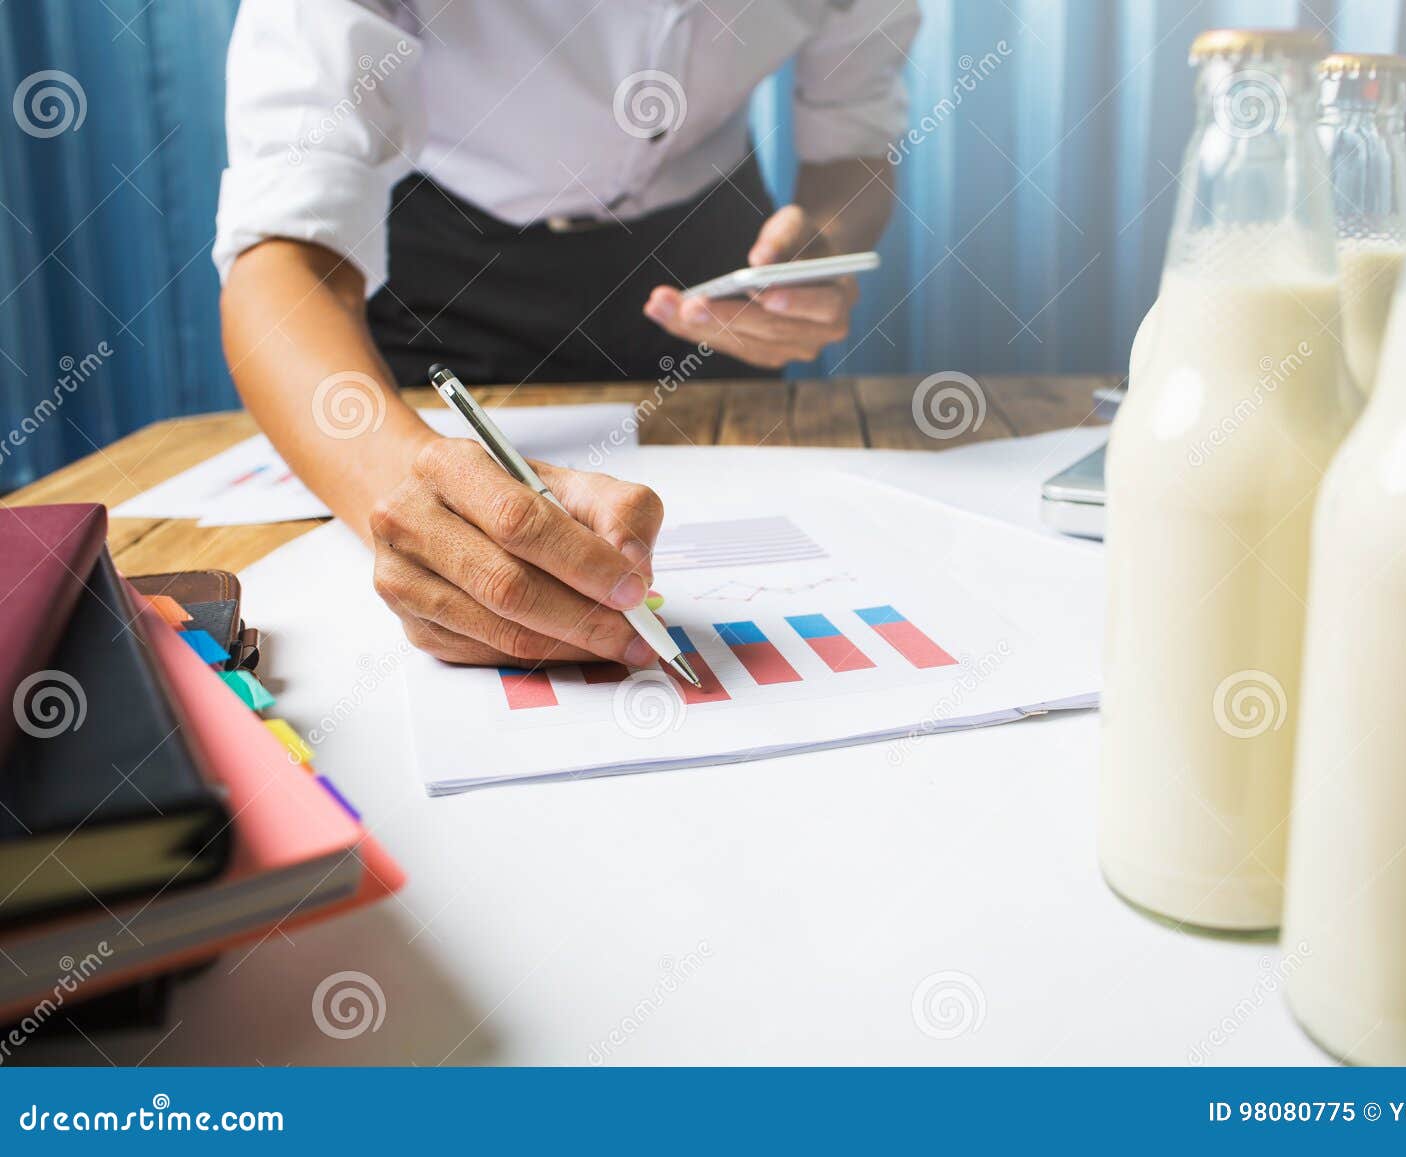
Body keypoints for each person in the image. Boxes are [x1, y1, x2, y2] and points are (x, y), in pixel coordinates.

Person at [215, 0, 919, 670]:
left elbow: (853, 146)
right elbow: (282, 259)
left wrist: (819, 251)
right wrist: (402, 485)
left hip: (715, 260)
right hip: (447, 271)